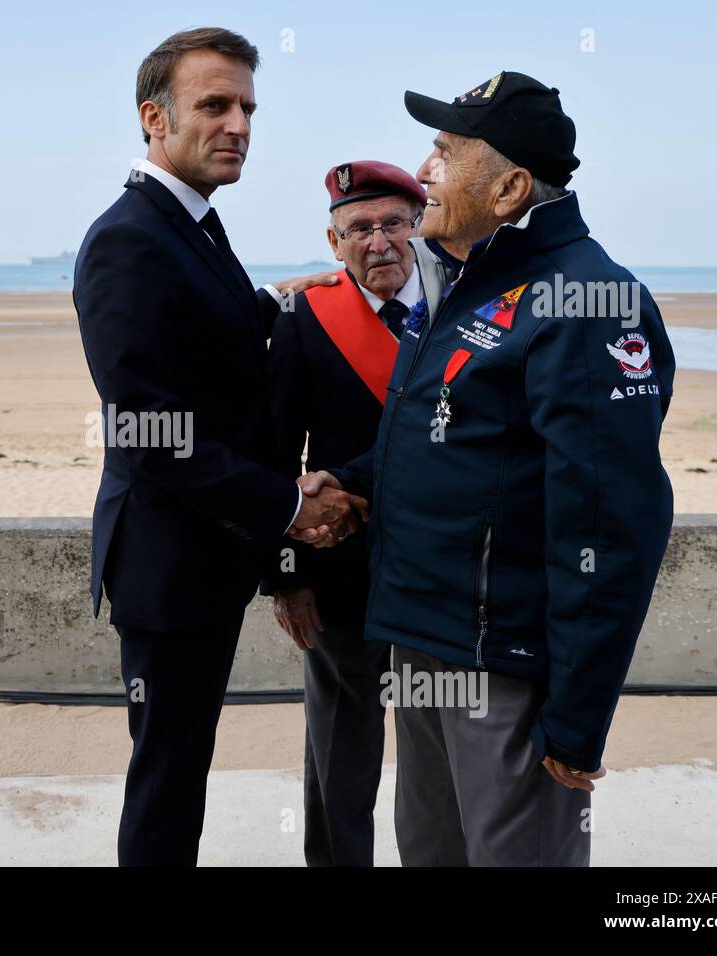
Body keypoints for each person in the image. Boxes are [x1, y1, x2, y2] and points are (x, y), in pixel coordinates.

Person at [296, 71, 675, 866]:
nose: (423, 170)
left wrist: (577, 717)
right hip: (420, 642)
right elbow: (443, 439)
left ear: (506, 187)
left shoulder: (588, 300)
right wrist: (352, 485)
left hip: (504, 665)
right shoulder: (470, 283)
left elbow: (610, 526)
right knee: (431, 854)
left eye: (444, 152)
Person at [73, 27, 362, 866]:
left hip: (204, 557)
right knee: (166, 783)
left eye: (246, 107)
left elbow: (206, 338)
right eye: (214, 105)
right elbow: (146, 428)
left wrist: (275, 301)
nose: (237, 124)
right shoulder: (131, 238)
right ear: (153, 119)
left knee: (182, 769)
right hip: (167, 566)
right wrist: (287, 505)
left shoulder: (193, 224)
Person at [263, 160, 447, 865]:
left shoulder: (456, 306)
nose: (380, 242)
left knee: (445, 735)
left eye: (395, 223)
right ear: (333, 242)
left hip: (440, 559)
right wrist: (283, 573)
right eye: (359, 229)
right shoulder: (306, 317)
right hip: (339, 566)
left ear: (418, 227)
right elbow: (277, 452)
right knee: (342, 741)